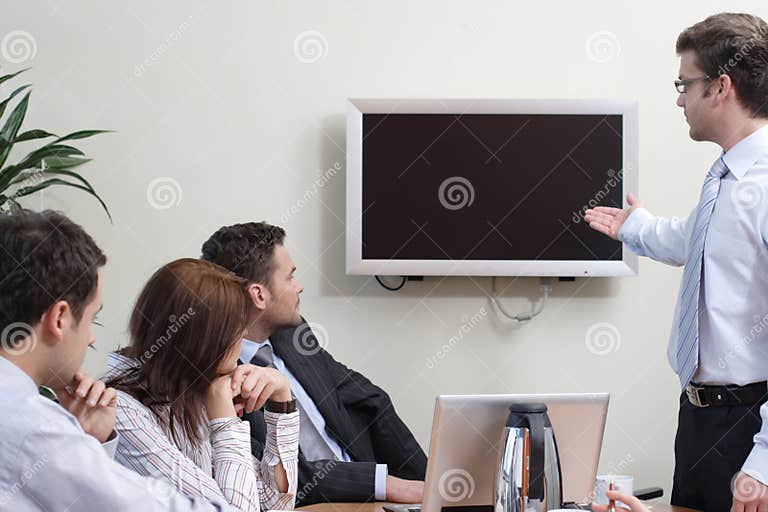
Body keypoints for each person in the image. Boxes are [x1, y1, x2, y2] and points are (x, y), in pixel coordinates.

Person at [585, 12, 768, 512]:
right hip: (701, 419)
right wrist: (634, 228)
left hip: (752, 428)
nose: (679, 98)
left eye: (685, 83)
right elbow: (696, 240)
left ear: (721, 87)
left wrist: (764, 463)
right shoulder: (728, 181)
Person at [0, 209, 229, 511]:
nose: (91, 338)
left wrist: (93, 441)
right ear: (60, 318)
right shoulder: (31, 423)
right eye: (93, 318)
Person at [201, 222, 427, 505]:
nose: (300, 287)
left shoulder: (293, 334)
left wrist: (431, 486)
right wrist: (386, 484)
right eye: (290, 277)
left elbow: (370, 399)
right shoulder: (214, 379)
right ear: (259, 295)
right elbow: (275, 474)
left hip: (371, 500)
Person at [105, 258, 301, 511]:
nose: (243, 336)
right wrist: (225, 421)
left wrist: (282, 400)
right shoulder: (121, 412)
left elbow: (276, 505)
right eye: (237, 328)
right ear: (201, 339)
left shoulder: (194, 390)